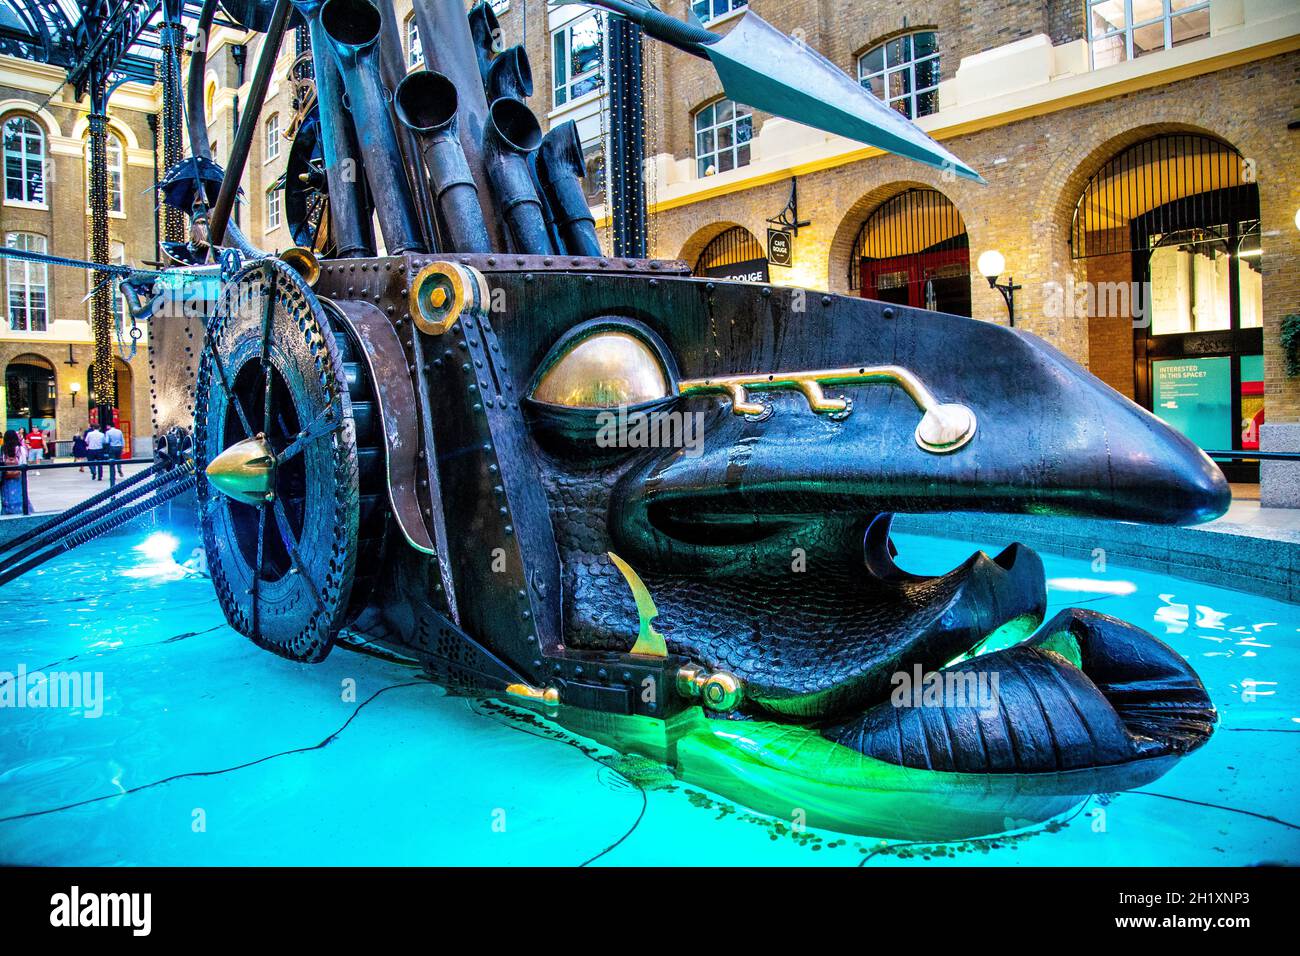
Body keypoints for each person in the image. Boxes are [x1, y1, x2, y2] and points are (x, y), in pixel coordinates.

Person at [2, 429, 27, 515]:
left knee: (7, 495)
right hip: (18, 477)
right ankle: (21, 511)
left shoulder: (3, 450)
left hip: (6, 477)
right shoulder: (20, 449)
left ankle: (8, 511)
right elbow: (24, 463)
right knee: (20, 494)